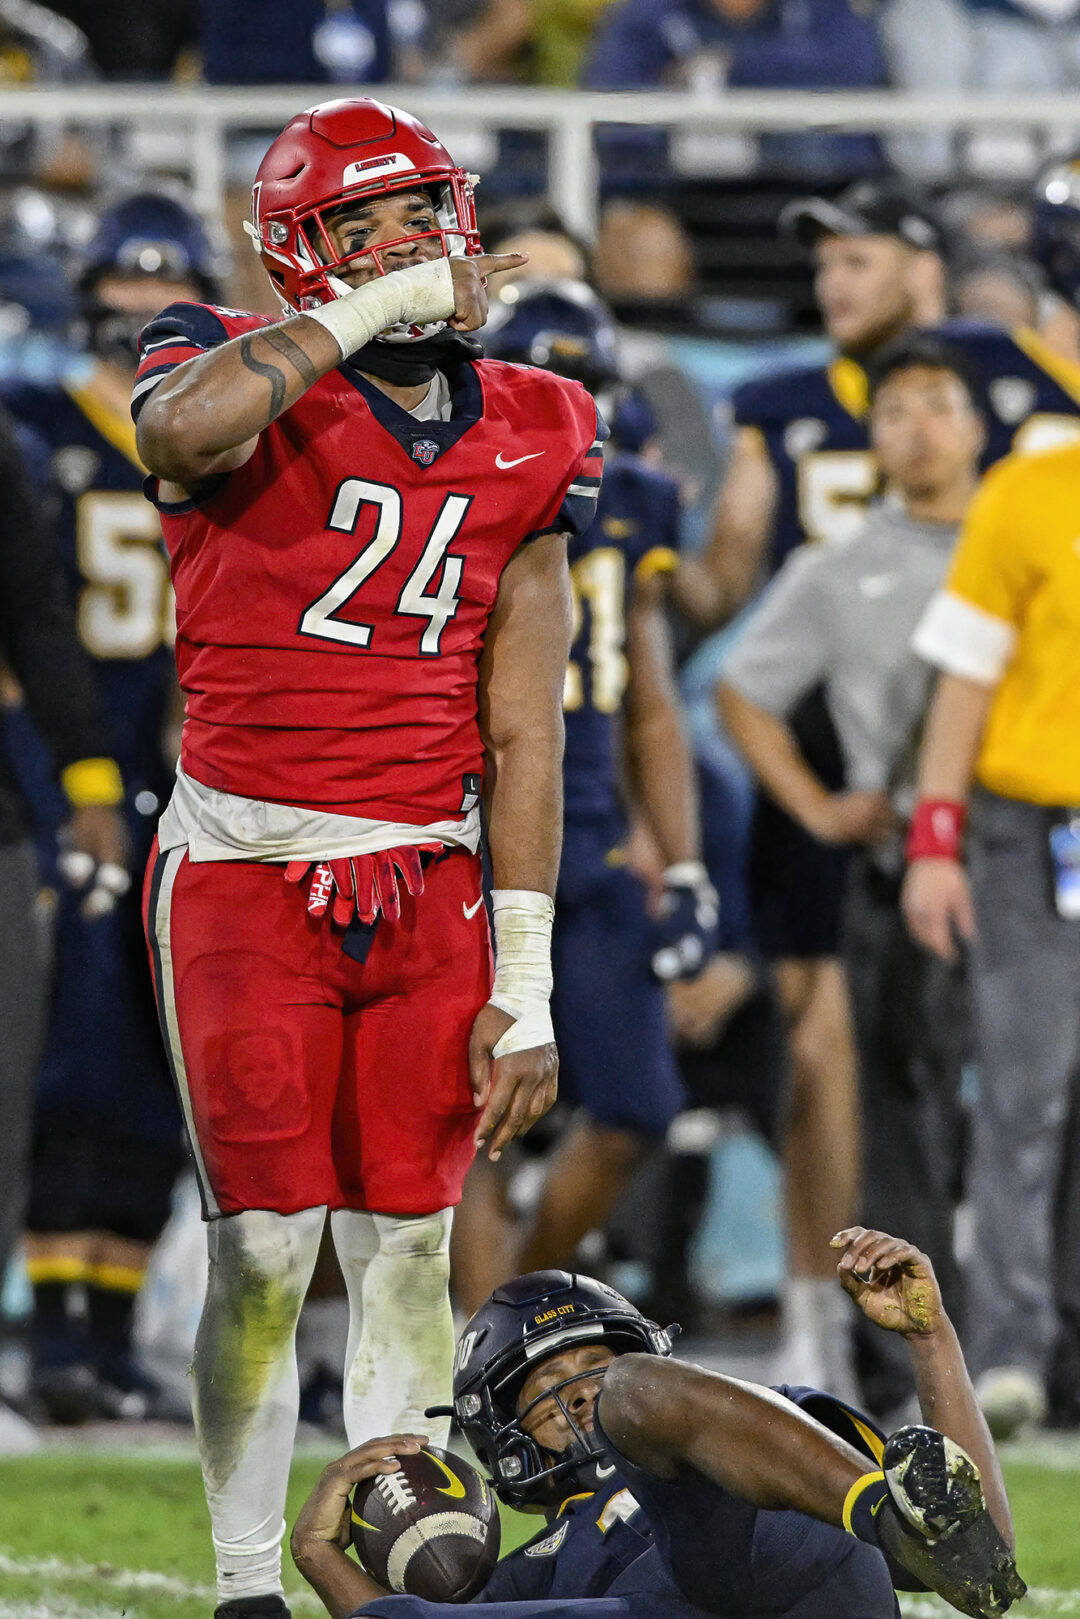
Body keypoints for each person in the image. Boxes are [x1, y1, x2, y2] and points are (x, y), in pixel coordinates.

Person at [132, 96, 605, 1619]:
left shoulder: (539, 417)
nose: (414, 240)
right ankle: (244, 1580)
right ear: (300, 249)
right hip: (247, 871)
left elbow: (527, 728)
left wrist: (524, 977)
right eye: (369, 219)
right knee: (266, 1250)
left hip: (430, 871)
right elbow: (181, 431)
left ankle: (382, 1575)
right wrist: (366, 314)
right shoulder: (215, 357)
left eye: (426, 211)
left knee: (406, 1244)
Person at [674, 175, 1080, 1400]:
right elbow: (725, 617)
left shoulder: (1027, 408)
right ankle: (864, 1337)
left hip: (1007, 810)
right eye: (824, 264)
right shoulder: (783, 412)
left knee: (1022, 1080)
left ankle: (1019, 1335)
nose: (831, 283)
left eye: (859, 260)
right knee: (848, 1070)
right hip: (884, 816)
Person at [289, 1227, 1026, 1619]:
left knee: (643, 1393)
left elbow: (987, 1538)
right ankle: (894, 1519)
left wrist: (931, 1339)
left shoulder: (768, 1425)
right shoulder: (528, 1568)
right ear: (500, 1437)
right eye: (547, 1386)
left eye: (593, 1364)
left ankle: (893, 1520)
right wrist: (319, 1554)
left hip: (800, 1575)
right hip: (646, 1606)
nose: (580, 1393)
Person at [717, 335, 984, 1414]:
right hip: (900, 865)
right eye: (895, 410)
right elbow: (741, 690)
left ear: (977, 425)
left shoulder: (1032, 542)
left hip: (1032, 854)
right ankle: (907, 1364)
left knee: (1035, 1118)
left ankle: (1040, 1349)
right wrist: (820, 805)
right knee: (897, 1121)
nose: (916, 427)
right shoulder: (837, 562)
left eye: (936, 404)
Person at [451, 278, 716, 1313]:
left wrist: (684, 859)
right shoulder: (456, 486)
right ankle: (486, 1354)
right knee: (466, 1116)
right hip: (473, 817)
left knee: (637, 1107)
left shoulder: (632, 500)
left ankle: (507, 1318)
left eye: (583, 383)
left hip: (591, 827)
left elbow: (650, 698)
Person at [1, 190, 220, 1426]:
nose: (139, 307)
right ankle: (51, 1329)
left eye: (163, 285)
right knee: (62, 1047)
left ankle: (113, 1327)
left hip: (193, 764)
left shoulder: (226, 427)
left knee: (155, 1049)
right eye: (121, 284)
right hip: (62, 759)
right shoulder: (34, 421)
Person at [898, 154, 1080, 1441]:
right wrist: (937, 837)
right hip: (1034, 830)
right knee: (1024, 1095)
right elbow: (960, 686)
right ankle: (1012, 1348)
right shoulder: (1027, 487)